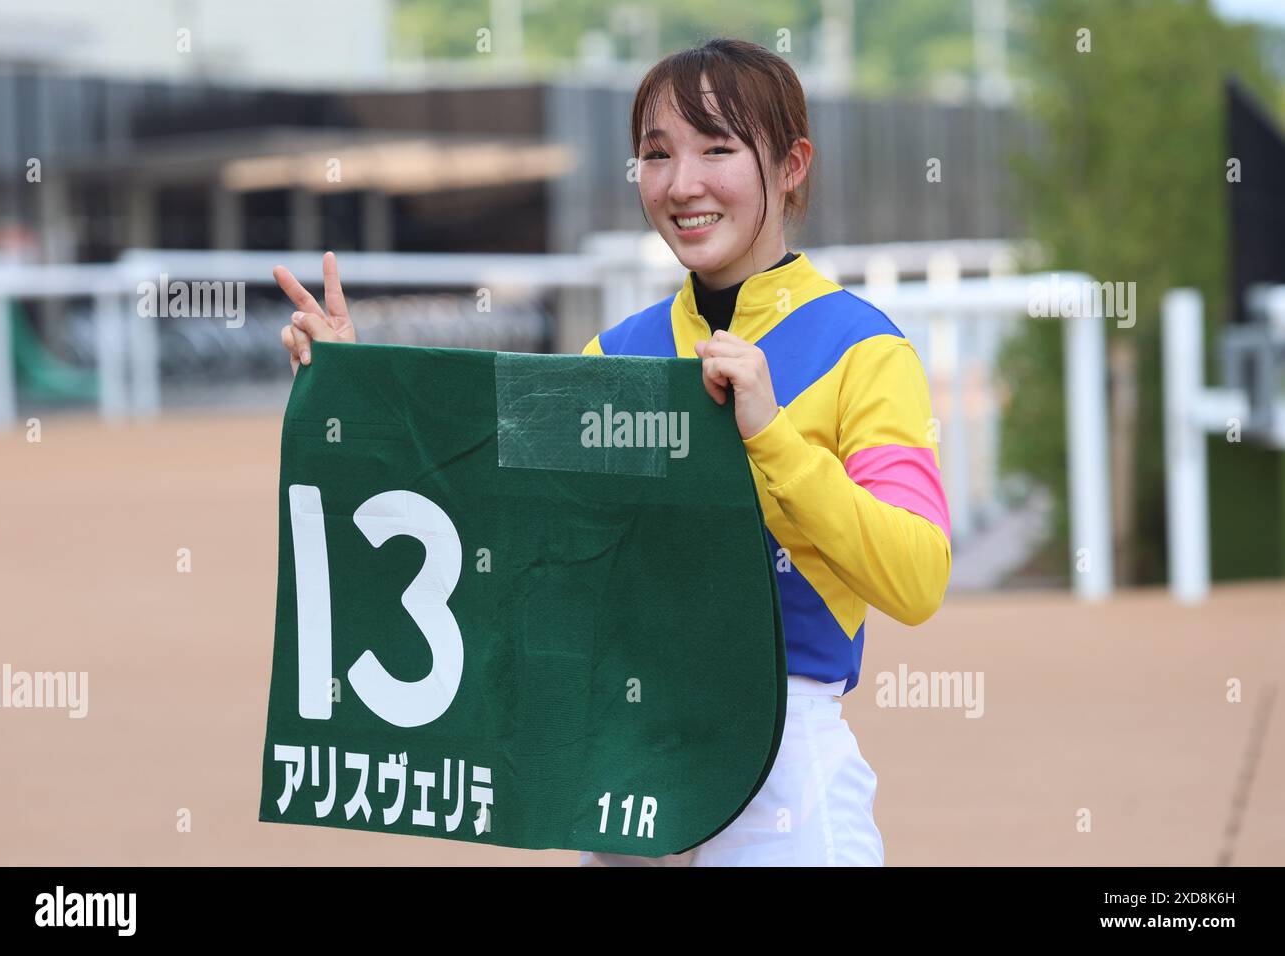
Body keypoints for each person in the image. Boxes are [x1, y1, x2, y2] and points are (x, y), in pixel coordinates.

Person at [275, 36, 951, 867]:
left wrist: (772, 438)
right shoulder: (614, 354)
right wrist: (356, 383)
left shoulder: (866, 351)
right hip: (626, 774)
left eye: (718, 149)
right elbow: (476, 512)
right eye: (656, 155)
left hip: (786, 768)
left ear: (792, 163)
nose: (682, 184)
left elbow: (917, 578)